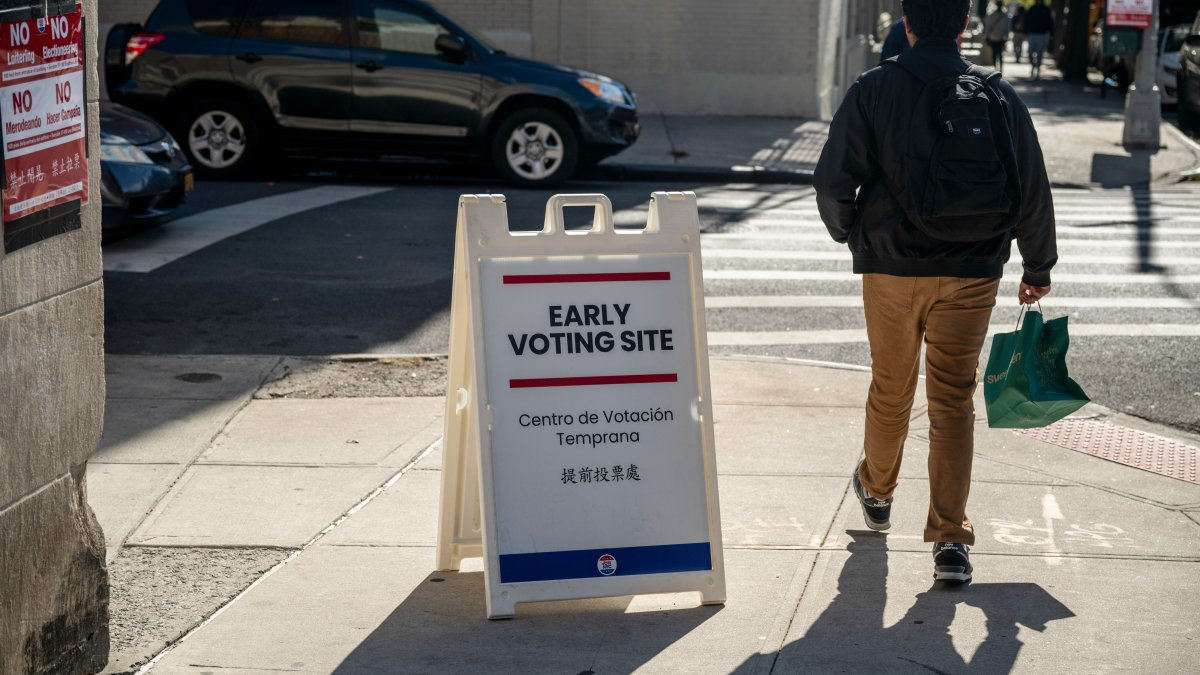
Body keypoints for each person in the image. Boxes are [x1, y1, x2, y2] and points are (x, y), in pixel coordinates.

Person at [812, 0, 1057, 583]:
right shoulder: (996, 95)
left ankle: (876, 489)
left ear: (908, 23)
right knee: (953, 400)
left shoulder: (874, 89)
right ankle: (951, 539)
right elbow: (1031, 184)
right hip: (974, 268)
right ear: (965, 25)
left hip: (891, 266)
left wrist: (854, 233)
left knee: (891, 387)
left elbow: (832, 179)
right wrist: (1038, 265)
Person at [1023, 0, 1054, 78]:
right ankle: (1033, 66)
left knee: (1040, 53)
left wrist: (1051, 34)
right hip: (1032, 34)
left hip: (1042, 34)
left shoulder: (1046, 9)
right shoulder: (1032, 8)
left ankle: (1037, 71)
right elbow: (1026, 20)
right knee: (1030, 52)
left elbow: (1050, 22)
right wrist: (1025, 32)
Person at [983, 2, 1012, 71]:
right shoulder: (992, 15)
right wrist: (987, 36)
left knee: (999, 54)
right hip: (993, 37)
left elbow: (1008, 27)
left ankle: (1000, 68)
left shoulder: (1004, 16)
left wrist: (1007, 37)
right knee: (995, 53)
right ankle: (995, 67)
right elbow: (988, 26)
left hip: (1001, 38)